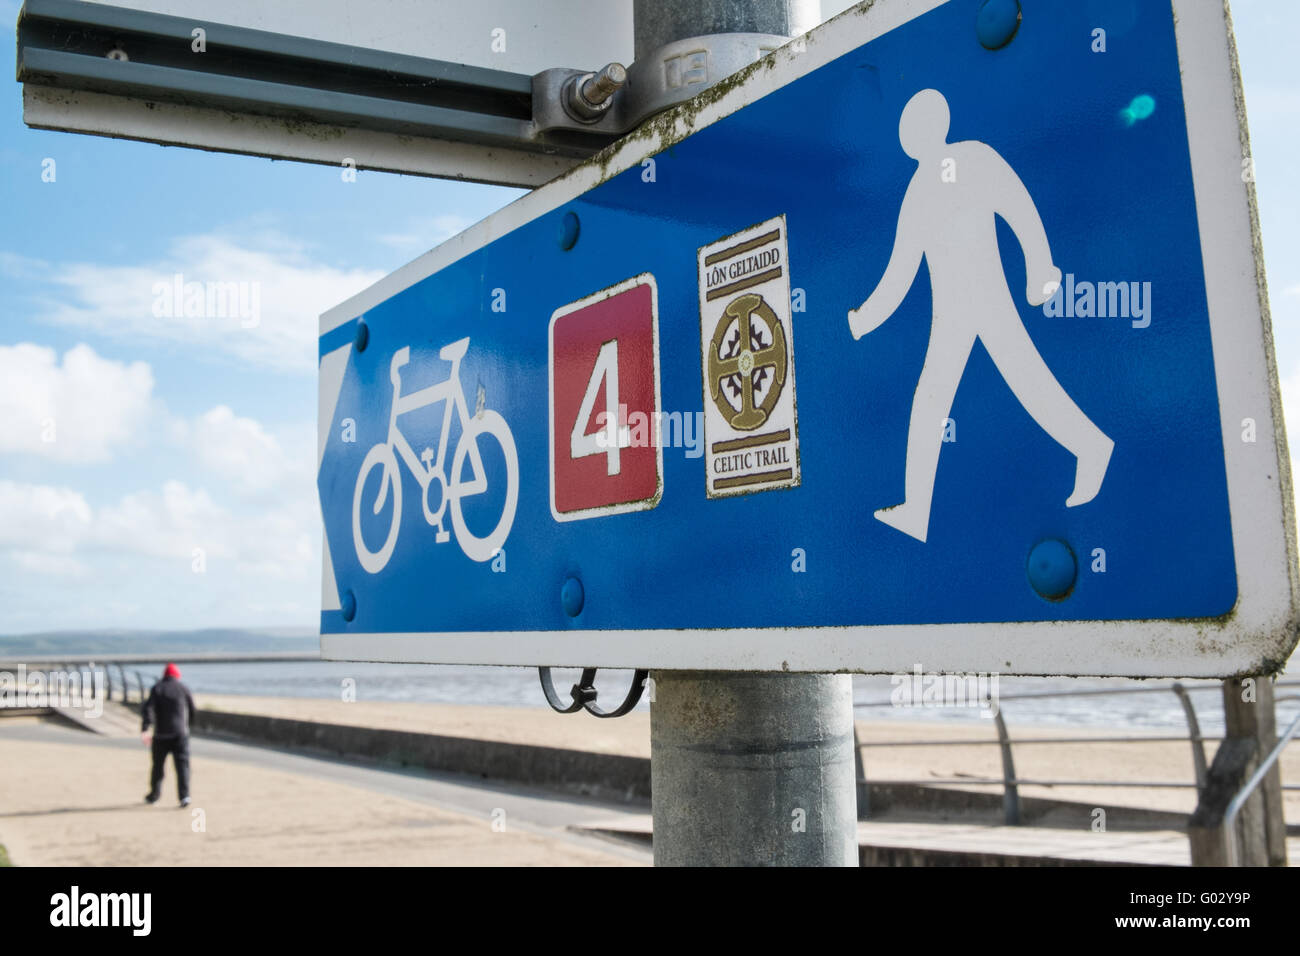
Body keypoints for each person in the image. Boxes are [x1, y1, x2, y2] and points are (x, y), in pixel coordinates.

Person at [848, 88, 1113, 543]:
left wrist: (1040, 268)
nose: (910, 136)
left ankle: (1092, 447)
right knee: (933, 399)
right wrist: (862, 319)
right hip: (951, 313)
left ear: (934, 126)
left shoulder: (975, 158)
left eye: (914, 127)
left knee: (1025, 382)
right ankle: (916, 510)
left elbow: (1019, 207)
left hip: (987, 297)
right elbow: (900, 270)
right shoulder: (916, 193)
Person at [141, 662, 196, 807]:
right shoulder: (183, 688)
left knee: (158, 767)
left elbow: (149, 709)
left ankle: (154, 795)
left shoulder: (157, 688)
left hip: (161, 735)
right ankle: (184, 797)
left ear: (164, 674)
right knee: (182, 767)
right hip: (181, 734)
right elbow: (192, 709)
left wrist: (145, 728)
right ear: (177, 675)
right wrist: (188, 726)